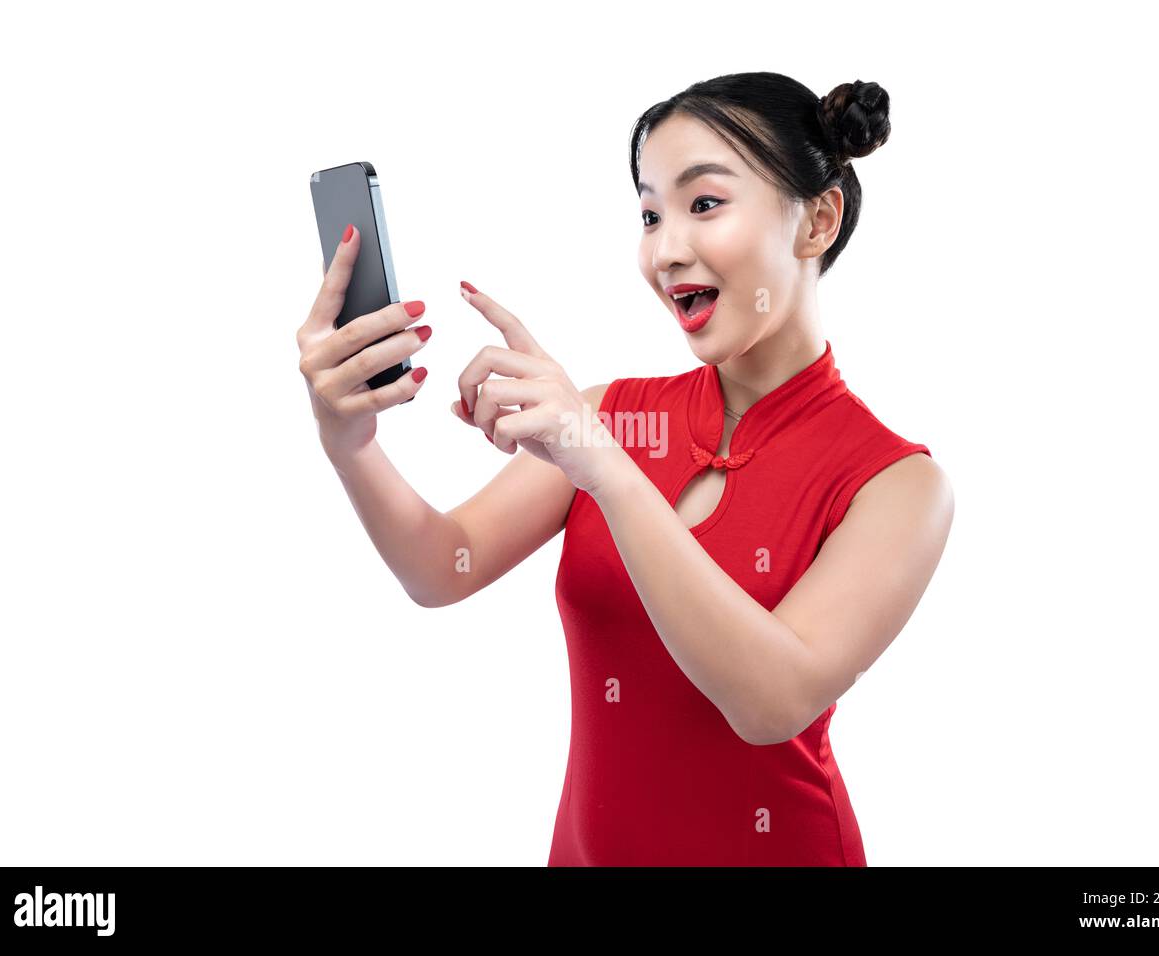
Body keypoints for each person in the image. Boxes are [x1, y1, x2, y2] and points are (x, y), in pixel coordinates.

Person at [296, 72, 954, 866]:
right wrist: (350, 443)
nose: (665, 251)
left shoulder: (896, 483)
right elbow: (443, 566)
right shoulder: (608, 416)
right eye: (649, 214)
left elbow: (769, 701)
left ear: (817, 220)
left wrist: (605, 468)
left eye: (703, 204)